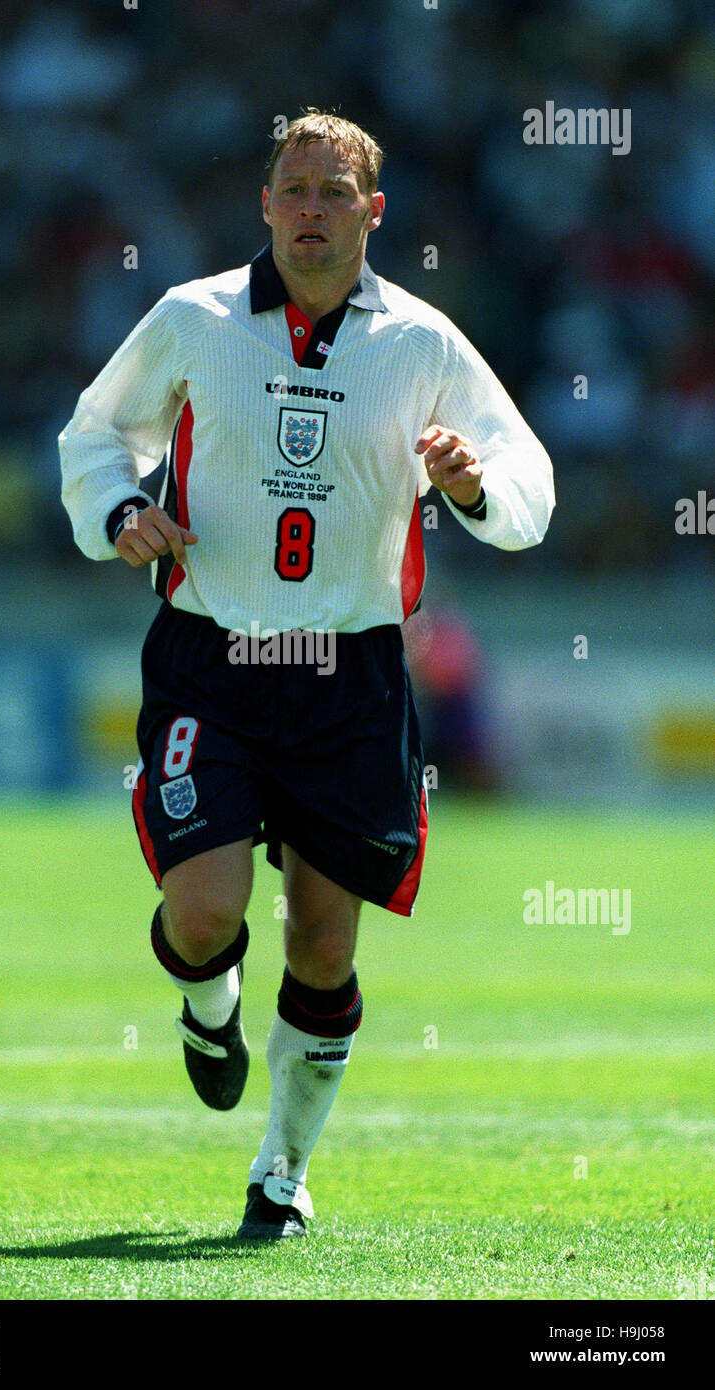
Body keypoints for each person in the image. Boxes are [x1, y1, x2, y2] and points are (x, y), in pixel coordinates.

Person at [59, 111, 554, 1240]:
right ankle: (203, 1002)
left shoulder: (421, 344)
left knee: (324, 940)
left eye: (336, 192)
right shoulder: (192, 318)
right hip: (209, 662)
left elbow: (527, 479)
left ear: (373, 214)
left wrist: (473, 486)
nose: (312, 210)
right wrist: (121, 510)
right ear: (265, 205)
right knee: (202, 912)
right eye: (295, 188)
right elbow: (93, 438)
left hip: (350, 677)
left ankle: (279, 1172)